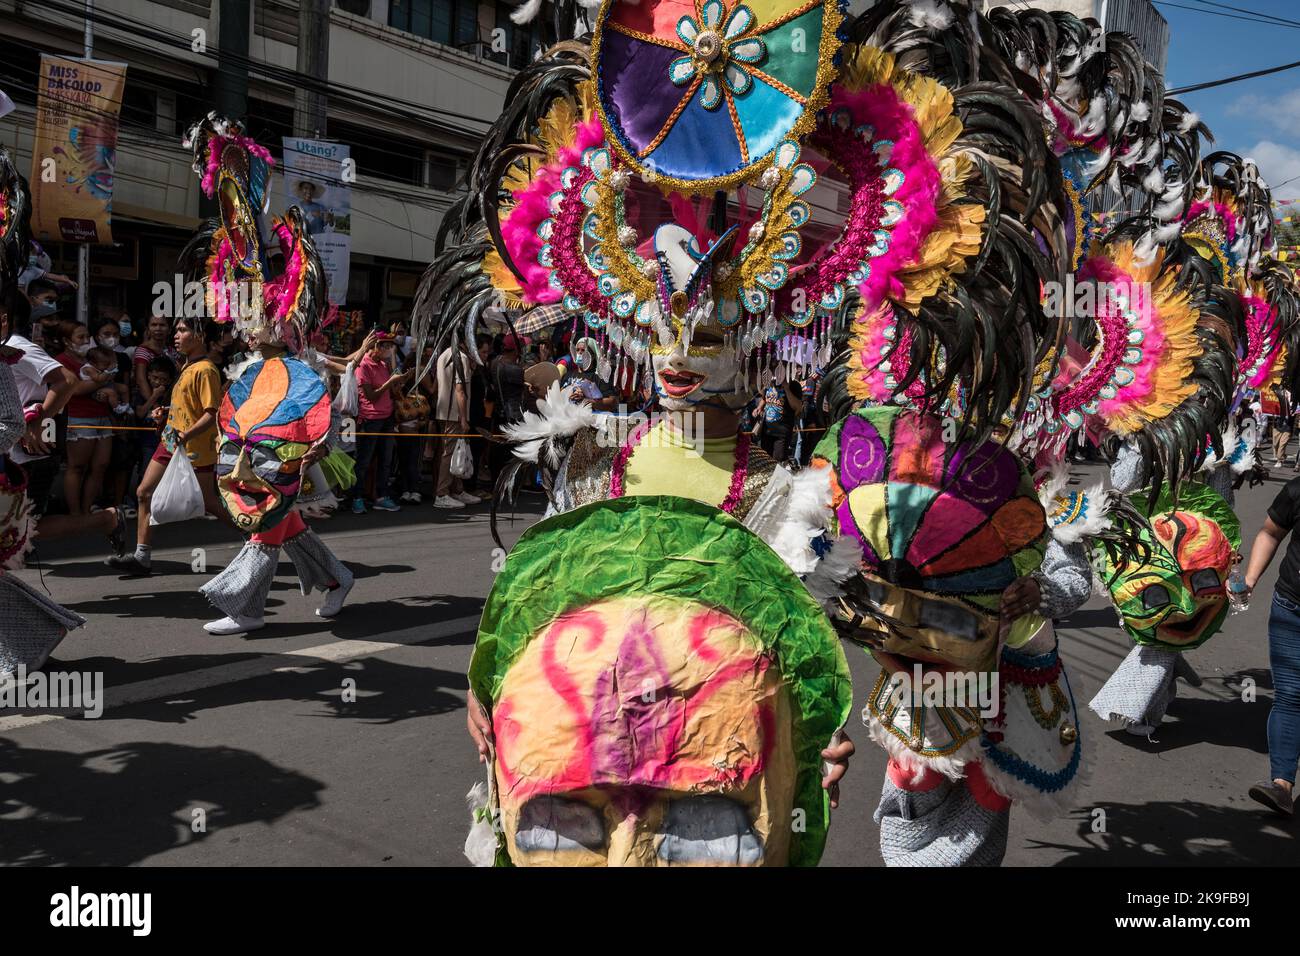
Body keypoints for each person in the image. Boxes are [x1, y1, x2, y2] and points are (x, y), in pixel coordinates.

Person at [105, 315, 229, 576]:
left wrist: (188, 433)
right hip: (171, 441)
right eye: (177, 330)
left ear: (200, 336)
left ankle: (255, 539)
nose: (176, 335)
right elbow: (189, 406)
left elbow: (211, 412)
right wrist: (167, 412)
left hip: (194, 447)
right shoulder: (186, 365)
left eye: (182, 330)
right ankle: (142, 557)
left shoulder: (206, 370)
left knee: (208, 502)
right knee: (143, 493)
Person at [1235, 476, 1300, 816]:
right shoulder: (1297, 489)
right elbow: (1271, 531)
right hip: (1292, 608)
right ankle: (1281, 786)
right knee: (1290, 695)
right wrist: (1249, 579)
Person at [54, 325, 117, 517]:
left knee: (100, 466)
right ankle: (75, 513)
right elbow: (77, 389)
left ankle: (87, 509)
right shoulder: (61, 361)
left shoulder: (95, 356)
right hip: (79, 417)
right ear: (67, 341)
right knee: (77, 466)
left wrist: (100, 382)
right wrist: (103, 379)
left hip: (103, 416)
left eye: (87, 336)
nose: (85, 340)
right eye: (80, 337)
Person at [347, 330, 407, 514]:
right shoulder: (363, 366)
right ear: (376, 347)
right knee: (363, 461)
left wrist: (401, 380)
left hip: (386, 418)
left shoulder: (384, 364)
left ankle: (381, 496)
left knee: (385, 461)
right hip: (370, 420)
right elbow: (371, 396)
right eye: (386, 346)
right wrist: (390, 383)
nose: (389, 350)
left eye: (391, 346)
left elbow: (392, 390)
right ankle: (357, 497)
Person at [432, 338, 478, 509]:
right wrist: (464, 418)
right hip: (454, 413)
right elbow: (460, 390)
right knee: (450, 453)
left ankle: (457, 490)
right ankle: (442, 493)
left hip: (444, 410)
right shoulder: (461, 358)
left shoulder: (444, 354)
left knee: (455, 451)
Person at [1272, 386, 1293, 466]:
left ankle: (1279, 460)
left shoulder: (1290, 398)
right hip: (1278, 426)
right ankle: (1282, 456)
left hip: (1287, 428)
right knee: (1275, 444)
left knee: (1282, 444)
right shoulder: (1275, 400)